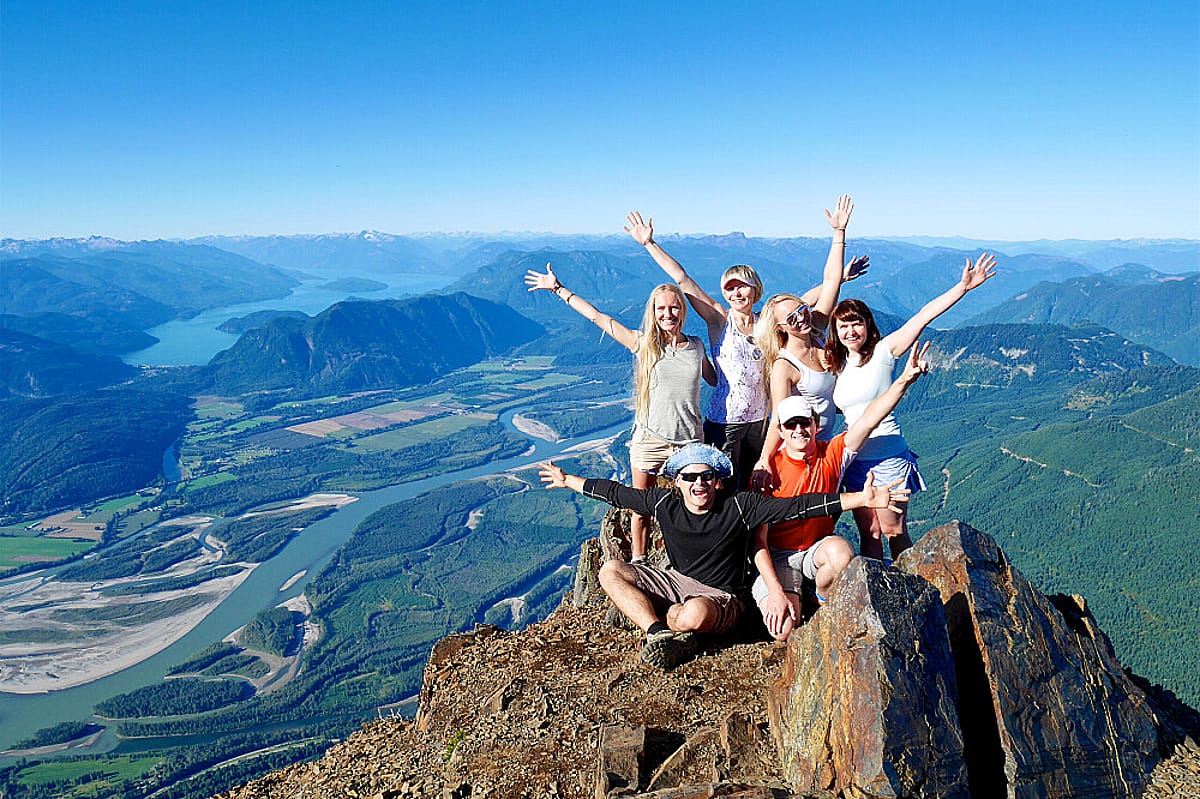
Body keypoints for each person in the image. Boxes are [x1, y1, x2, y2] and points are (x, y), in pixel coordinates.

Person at [537, 443, 910, 668]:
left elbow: (799, 507)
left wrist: (862, 499)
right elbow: (617, 494)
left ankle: (672, 621)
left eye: (706, 477)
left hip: (722, 597)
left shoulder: (739, 506)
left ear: (717, 480)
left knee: (696, 612)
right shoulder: (664, 503)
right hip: (676, 581)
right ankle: (658, 634)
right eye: (689, 477)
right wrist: (568, 480)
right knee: (611, 571)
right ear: (677, 481)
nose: (698, 484)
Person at [624, 197, 863, 489]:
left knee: (756, 487)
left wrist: (838, 280)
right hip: (723, 422)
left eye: (743, 286)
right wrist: (649, 244)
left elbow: (799, 305)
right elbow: (682, 280)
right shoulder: (719, 321)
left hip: (762, 421)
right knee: (721, 489)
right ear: (724, 294)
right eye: (730, 288)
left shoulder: (769, 323)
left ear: (756, 290)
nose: (737, 293)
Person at [524, 263, 716, 562]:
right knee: (640, 507)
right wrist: (559, 289)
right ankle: (640, 563)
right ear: (653, 312)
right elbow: (599, 318)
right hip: (650, 441)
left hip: (689, 442)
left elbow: (716, 379)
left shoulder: (697, 347)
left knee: (695, 506)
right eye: (661, 308)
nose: (668, 314)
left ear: (683, 311)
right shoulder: (643, 344)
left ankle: (693, 559)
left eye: (674, 308)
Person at [753, 342, 932, 641]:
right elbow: (757, 542)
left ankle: (820, 596)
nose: (799, 431)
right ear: (781, 431)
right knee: (783, 631)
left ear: (814, 424)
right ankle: (792, 595)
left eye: (804, 423)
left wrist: (903, 380)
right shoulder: (767, 473)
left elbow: (869, 418)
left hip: (815, 549)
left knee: (841, 554)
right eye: (791, 425)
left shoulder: (832, 453)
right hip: (780, 555)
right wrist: (774, 592)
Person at [829, 253, 998, 560]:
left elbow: (922, 317)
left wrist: (963, 288)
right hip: (853, 460)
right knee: (870, 534)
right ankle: (877, 595)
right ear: (836, 332)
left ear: (868, 325)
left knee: (893, 531)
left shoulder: (884, 351)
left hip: (887, 457)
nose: (850, 331)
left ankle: (907, 588)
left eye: (856, 324)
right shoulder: (837, 364)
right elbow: (802, 316)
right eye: (843, 326)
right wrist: (837, 277)